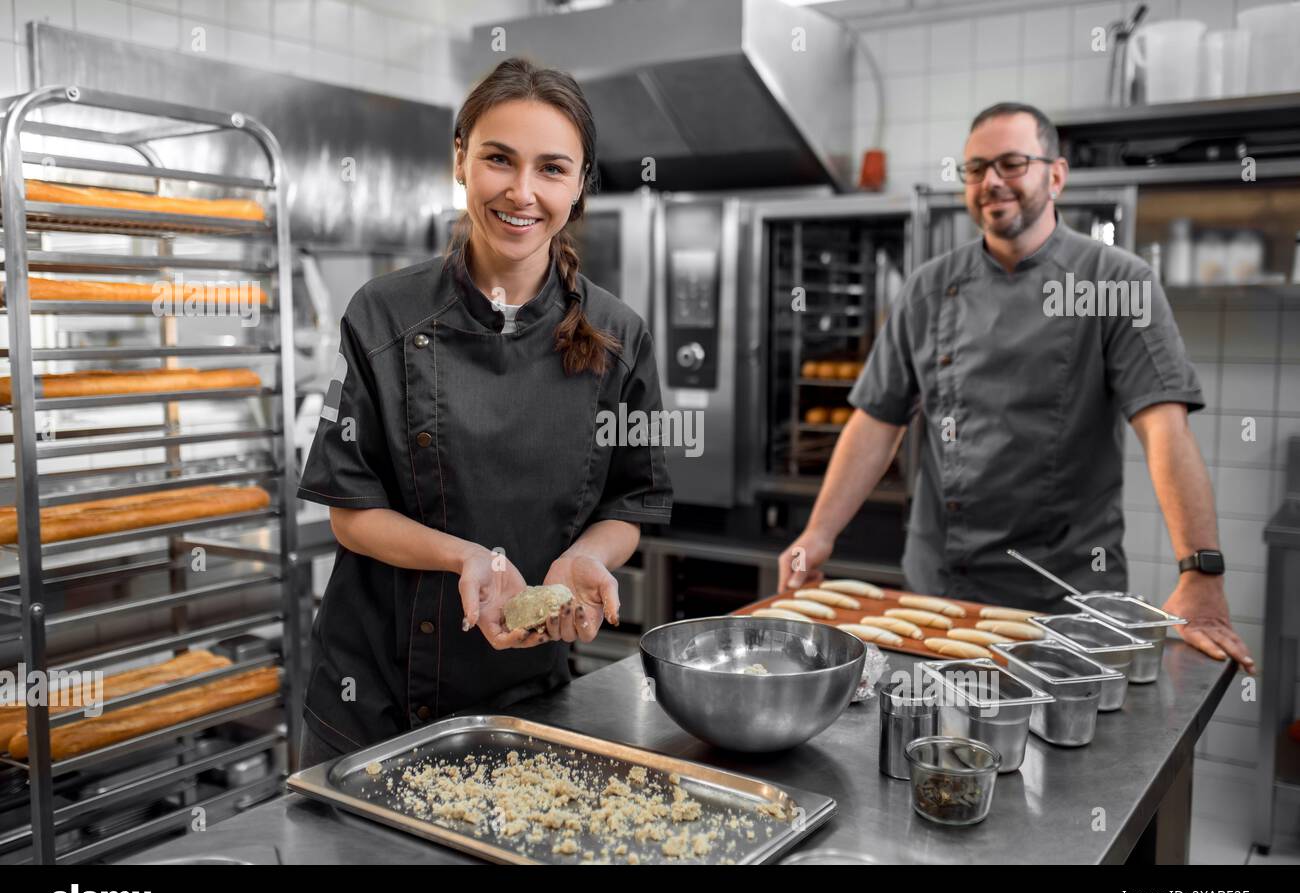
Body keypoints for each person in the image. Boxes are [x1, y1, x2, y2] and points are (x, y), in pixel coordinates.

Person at [779, 102, 1252, 674]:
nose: (991, 182)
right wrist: (819, 533)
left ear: (1055, 175)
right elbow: (876, 423)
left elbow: (1164, 429)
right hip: (937, 590)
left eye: (1011, 163)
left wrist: (1199, 571)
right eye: (976, 169)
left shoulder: (1115, 282)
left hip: (1064, 594)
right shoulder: (929, 289)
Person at [295, 58, 673, 766]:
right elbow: (348, 509)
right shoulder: (382, 315)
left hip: (527, 699)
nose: (521, 192)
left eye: (552, 168)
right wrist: (464, 557)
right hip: (373, 702)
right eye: (499, 159)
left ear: (580, 185)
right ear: (460, 160)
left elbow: (633, 500)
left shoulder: (619, 335)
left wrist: (587, 554)